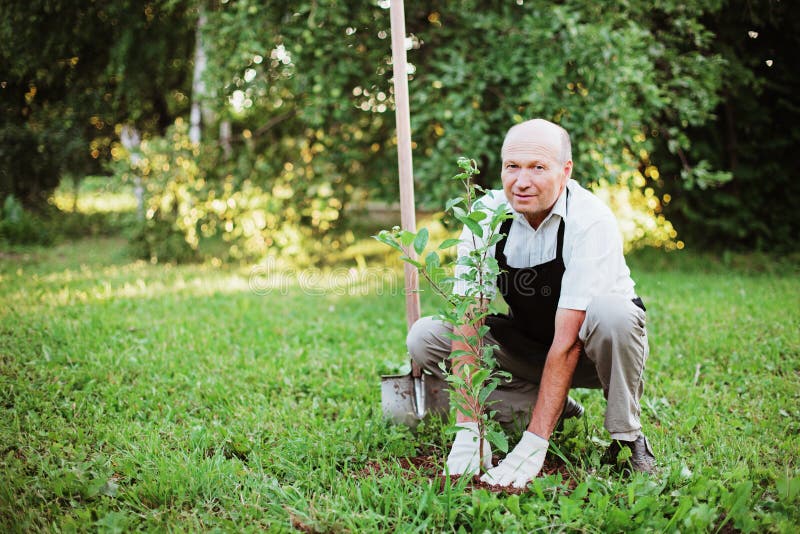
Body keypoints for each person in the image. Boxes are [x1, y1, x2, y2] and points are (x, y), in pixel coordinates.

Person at [406, 118, 655, 488]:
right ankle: (546, 405)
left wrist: (536, 443)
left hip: (591, 351)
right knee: (425, 337)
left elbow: (568, 343)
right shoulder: (487, 215)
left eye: (538, 167)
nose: (521, 181)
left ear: (565, 170)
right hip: (527, 346)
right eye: (513, 167)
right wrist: (468, 425)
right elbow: (467, 321)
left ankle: (628, 438)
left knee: (613, 314)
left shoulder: (590, 221)